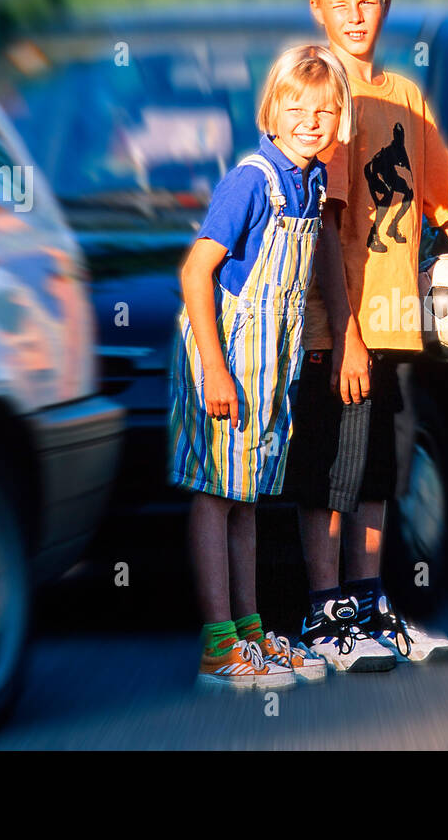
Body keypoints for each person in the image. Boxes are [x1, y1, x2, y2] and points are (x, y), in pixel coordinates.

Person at [283, 0, 448, 670]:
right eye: (340, 0)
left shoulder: (405, 98)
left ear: (385, 4)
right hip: (336, 325)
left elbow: (447, 201)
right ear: (318, 7)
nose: (356, 13)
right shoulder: (329, 101)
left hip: (395, 321)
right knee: (330, 474)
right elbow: (323, 226)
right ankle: (325, 617)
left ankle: (364, 603)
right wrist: (345, 333)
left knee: (379, 473)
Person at [169, 45, 352, 690]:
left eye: (326, 110)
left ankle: (249, 632)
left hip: (270, 369)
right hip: (225, 362)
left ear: (341, 121)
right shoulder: (252, 179)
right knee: (216, 495)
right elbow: (196, 273)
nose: (311, 120)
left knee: (247, 501)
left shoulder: (312, 181)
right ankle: (218, 644)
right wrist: (214, 372)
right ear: (269, 113)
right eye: (296, 108)